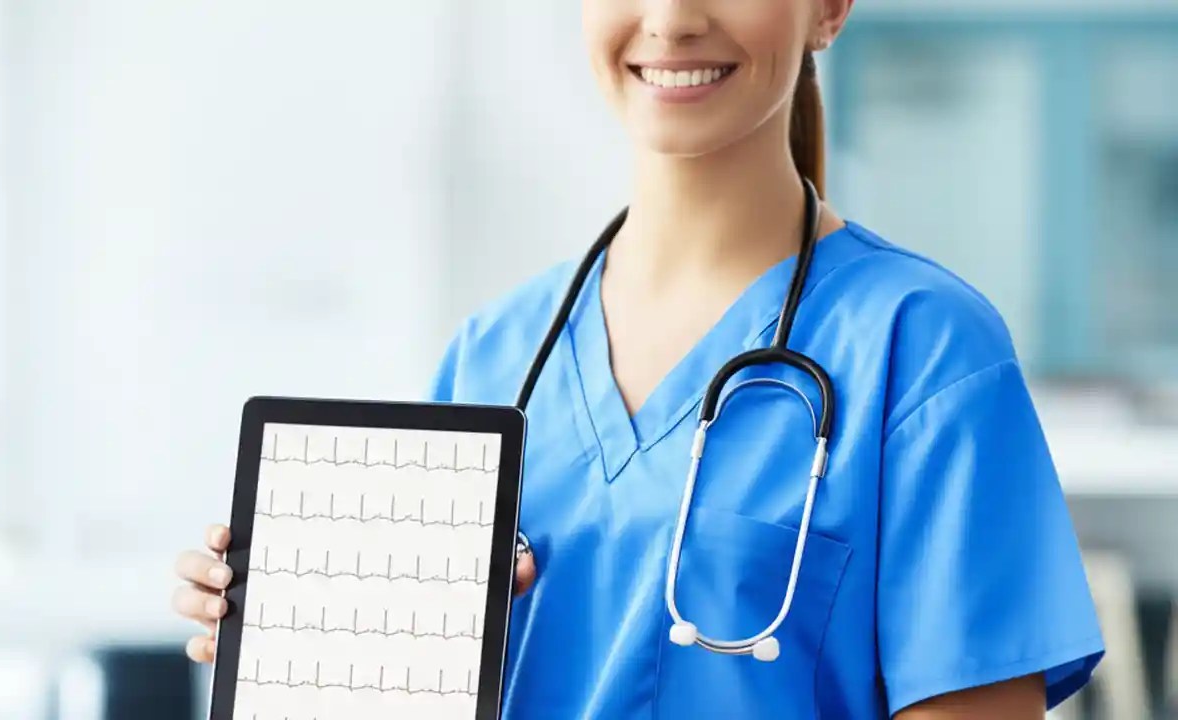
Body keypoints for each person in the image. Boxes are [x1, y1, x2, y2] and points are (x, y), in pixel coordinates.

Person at [172, 1, 1106, 717]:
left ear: (829, 6)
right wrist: (296, 637)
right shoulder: (497, 357)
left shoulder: (925, 349)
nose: (671, 16)